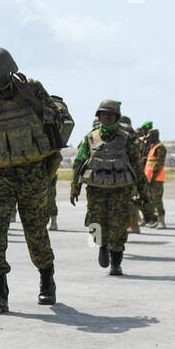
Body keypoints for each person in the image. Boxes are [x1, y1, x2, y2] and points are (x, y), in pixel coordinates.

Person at [0, 47, 66, 313]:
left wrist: (30, 100)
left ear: (10, 71)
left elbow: (56, 119)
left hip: (32, 171)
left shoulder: (32, 88)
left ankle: (47, 282)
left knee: (35, 230)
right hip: (0, 174)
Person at [69, 100, 147, 275]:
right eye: (103, 114)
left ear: (117, 117)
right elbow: (79, 162)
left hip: (121, 188)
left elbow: (136, 165)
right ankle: (101, 246)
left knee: (118, 225)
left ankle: (116, 262)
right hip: (96, 188)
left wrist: (143, 190)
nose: (107, 117)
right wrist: (75, 187)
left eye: (111, 115)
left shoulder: (128, 138)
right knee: (95, 222)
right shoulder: (90, 137)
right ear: (99, 116)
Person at [143, 126, 167, 228]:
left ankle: (161, 221)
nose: (149, 139)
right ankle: (156, 220)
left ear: (155, 136)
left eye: (150, 137)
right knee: (152, 200)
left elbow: (158, 164)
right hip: (150, 178)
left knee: (157, 200)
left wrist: (152, 178)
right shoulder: (153, 147)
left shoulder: (160, 147)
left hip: (156, 179)